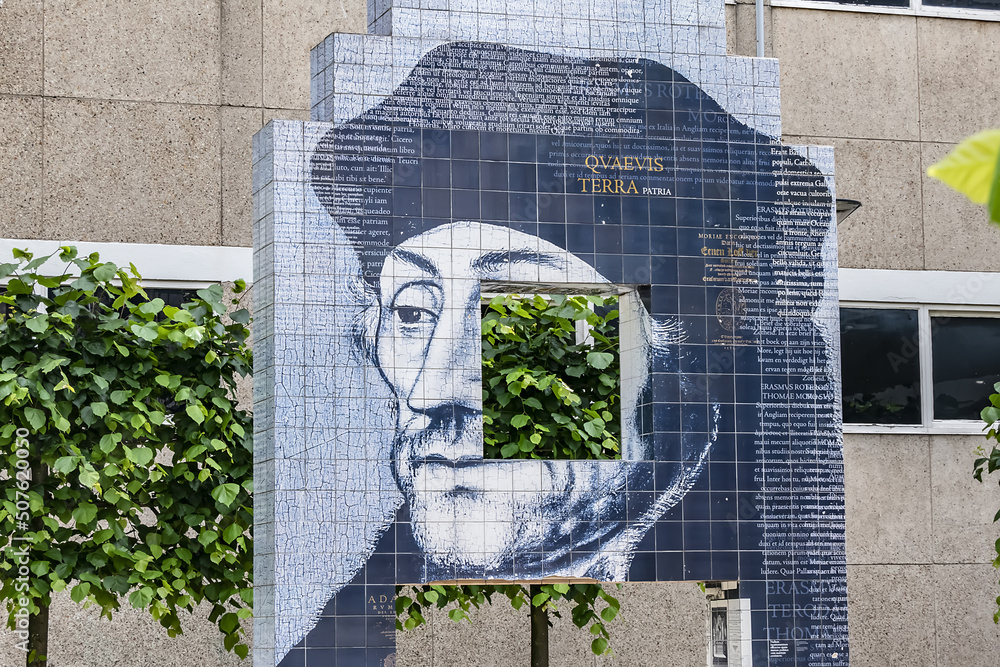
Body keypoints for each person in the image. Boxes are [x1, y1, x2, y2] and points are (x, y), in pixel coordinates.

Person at [274, 39, 834, 666]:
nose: (431, 390)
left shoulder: (757, 564)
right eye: (413, 314)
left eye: (524, 320)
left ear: (682, 362)